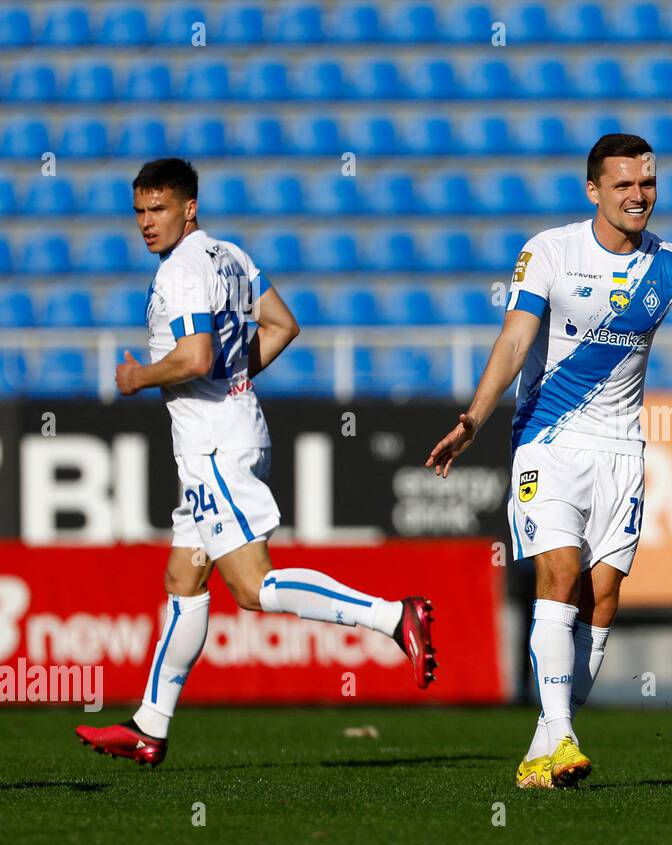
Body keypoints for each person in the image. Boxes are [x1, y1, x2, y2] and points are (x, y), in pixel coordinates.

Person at [426, 134, 672, 789]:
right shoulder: (549, 251)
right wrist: (473, 417)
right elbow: (515, 338)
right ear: (593, 192)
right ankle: (564, 739)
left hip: (621, 450)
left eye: (647, 183)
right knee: (559, 574)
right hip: (547, 441)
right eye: (623, 186)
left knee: (602, 598)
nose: (638, 196)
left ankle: (541, 752)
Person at [76, 158, 437, 767]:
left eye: (158, 209)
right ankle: (150, 725)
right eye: (139, 210)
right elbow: (282, 324)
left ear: (189, 207)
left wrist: (140, 376)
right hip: (227, 437)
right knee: (183, 581)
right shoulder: (229, 256)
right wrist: (235, 376)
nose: (146, 222)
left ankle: (395, 616)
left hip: (215, 448)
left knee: (251, 587)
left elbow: (193, 358)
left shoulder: (185, 270)